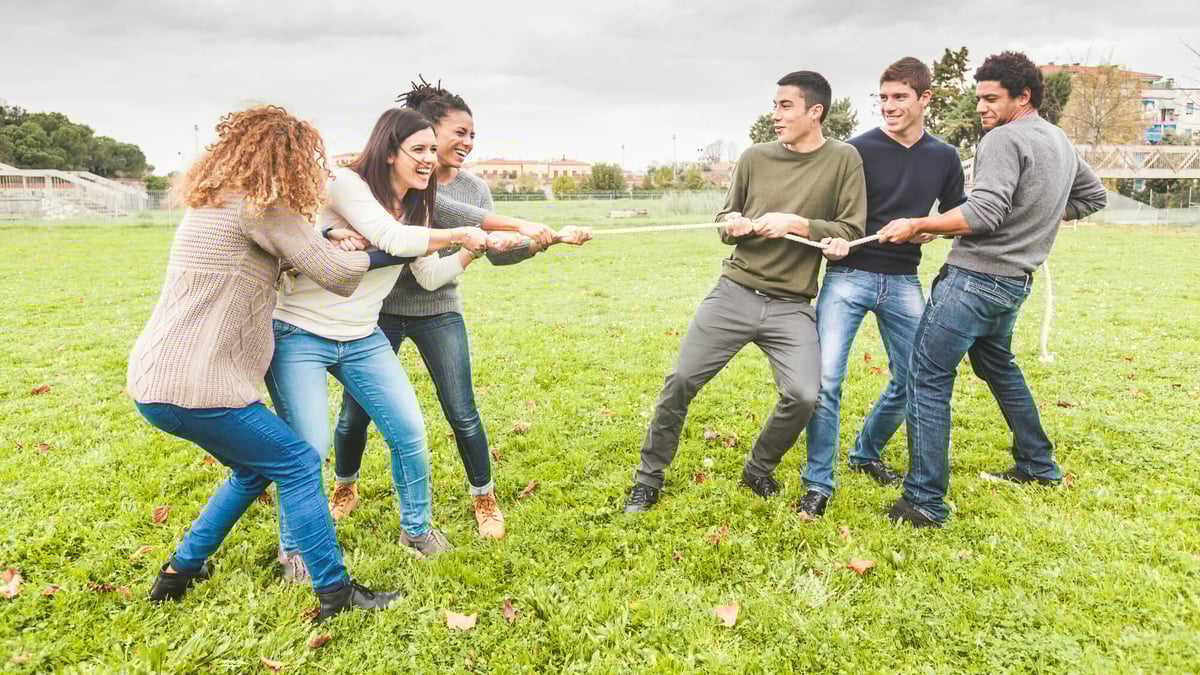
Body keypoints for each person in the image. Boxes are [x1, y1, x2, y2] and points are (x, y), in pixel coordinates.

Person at [126, 105, 398, 623]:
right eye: (306, 160)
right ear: (286, 160)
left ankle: (179, 572)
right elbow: (338, 274)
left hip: (157, 382)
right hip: (200, 388)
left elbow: (283, 249)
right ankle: (335, 592)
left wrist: (323, 237)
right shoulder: (262, 209)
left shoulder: (216, 203)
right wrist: (397, 247)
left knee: (254, 470)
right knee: (298, 463)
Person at [266, 107, 521, 579]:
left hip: (362, 335)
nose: (429, 159)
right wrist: (459, 231)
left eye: (432, 150)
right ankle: (293, 549)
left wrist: (470, 250)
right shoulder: (347, 184)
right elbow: (392, 238)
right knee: (308, 447)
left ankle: (416, 531)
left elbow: (428, 276)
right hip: (301, 331)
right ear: (389, 152)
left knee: (409, 431)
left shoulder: (418, 206)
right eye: (418, 149)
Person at [330, 79, 591, 539]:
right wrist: (514, 224)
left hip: (438, 307)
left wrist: (539, 242)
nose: (468, 142)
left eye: (473, 134)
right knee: (356, 413)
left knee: (462, 410)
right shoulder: (405, 183)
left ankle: (484, 497)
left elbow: (492, 249)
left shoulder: (472, 188)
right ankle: (345, 485)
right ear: (424, 133)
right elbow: (455, 218)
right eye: (459, 132)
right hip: (381, 311)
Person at [877, 51, 1107, 527]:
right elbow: (1092, 196)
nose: (981, 107)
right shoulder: (1058, 139)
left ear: (1023, 97)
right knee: (998, 367)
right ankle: (1038, 465)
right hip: (1013, 286)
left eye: (991, 99)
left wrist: (921, 224)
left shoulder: (1003, 138)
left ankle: (923, 501)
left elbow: (983, 213)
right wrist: (1036, 215)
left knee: (926, 378)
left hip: (974, 282)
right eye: (978, 97)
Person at [624, 70, 866, 512]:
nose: (775, 115)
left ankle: (758, 468)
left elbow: (851, 229)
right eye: (774, 105)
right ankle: (647, 479)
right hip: (735, 292)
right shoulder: (755, 157)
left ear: (815, 111)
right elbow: (724, 220)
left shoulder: (844, 159)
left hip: (792, 305)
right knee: (681, 381)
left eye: (785, 106)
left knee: (804, 396)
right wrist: (732, 224)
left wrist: (798, 223)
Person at [797, 57, 968, 520]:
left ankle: (866, 451)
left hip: (903, 280)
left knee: (916, 379)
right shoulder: (855, 150)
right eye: (883, 97)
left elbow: (959, 216)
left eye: (899, 97)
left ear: (924, 98)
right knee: (825, 382)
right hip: (847, 277)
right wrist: (830, 239)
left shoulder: (944, 157)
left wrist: (927, 228)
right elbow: (829, 214)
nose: (888, 106)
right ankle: (818, 483)